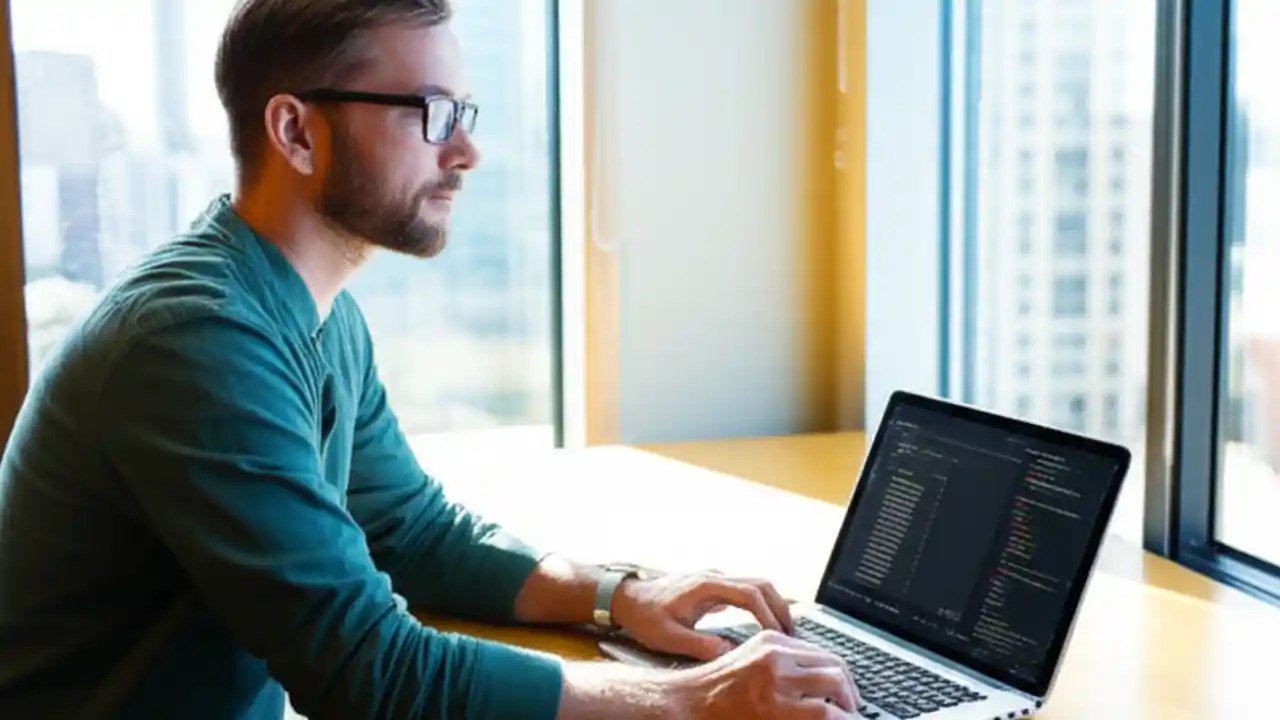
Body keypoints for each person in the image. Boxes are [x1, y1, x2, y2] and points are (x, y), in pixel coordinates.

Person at [0, 1, 861, 718]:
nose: (466, 151)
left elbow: (412, 533)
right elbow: (369, 672)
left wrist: (619, 595)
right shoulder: (194, 343)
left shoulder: (313, 312)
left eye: (465, 114)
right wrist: (684, 701)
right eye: (431, 114)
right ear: (296, 131)